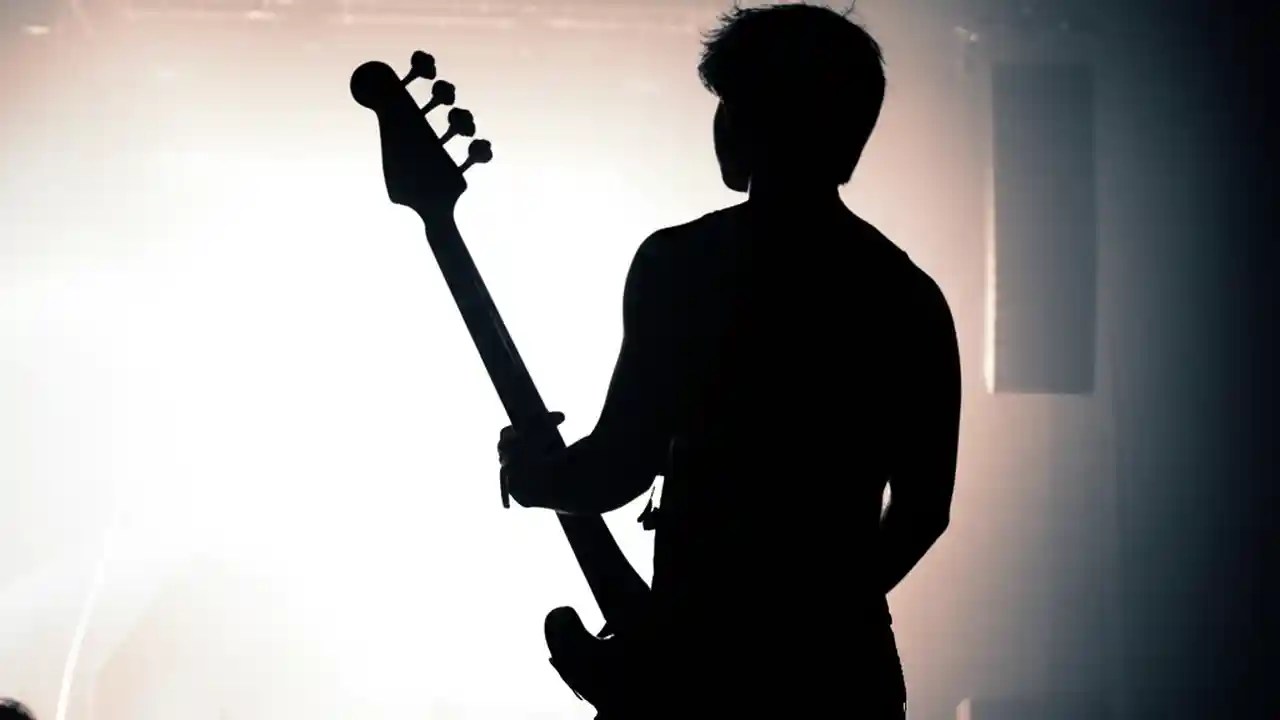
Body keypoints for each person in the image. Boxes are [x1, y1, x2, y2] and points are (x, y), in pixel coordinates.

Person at [498, 3, 960, 717]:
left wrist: (532, 477)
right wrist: (817, 618)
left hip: (693, 672)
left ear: (755, 121)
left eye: (731, 103)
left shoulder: (682, 265)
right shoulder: (911, 298)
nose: (720, 124)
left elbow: (618, 468)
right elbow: (924, 512)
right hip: (844, 677)